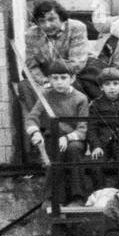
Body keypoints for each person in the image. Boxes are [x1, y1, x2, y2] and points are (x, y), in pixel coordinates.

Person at [24, 62, 91, 205]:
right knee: (56, 151)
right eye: (55, 78)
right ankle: (53, 198)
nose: (59, 82)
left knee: (72, 150)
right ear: (49, 79)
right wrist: (35, 132)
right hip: (53, 137)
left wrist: (67, 138)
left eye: (63, 78)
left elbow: (82, 129)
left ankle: (77, 197)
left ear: (72, 79)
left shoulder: (81, 98)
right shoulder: (46, 95)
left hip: (74, 139)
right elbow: (32, 117)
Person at [22, 0, 90, 109]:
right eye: (42, 21)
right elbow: (31, 65)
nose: (47, 25)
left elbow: (77, 62)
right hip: (46, 77)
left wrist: (57, 80)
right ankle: (39, 123)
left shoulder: (76, 28)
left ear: (62, 18)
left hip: (71, 74)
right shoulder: (32, 34)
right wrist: (45, 81)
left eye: (51, 19)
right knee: (25, 86)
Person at [87, 67, 119, 188]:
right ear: (101, 87)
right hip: (103, 143)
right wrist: (96, 146)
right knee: (96, 163)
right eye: (107, 84)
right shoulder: (96, 104)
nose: (112, 87)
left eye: (116, 84)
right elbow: (92, 128)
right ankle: (100, 191)